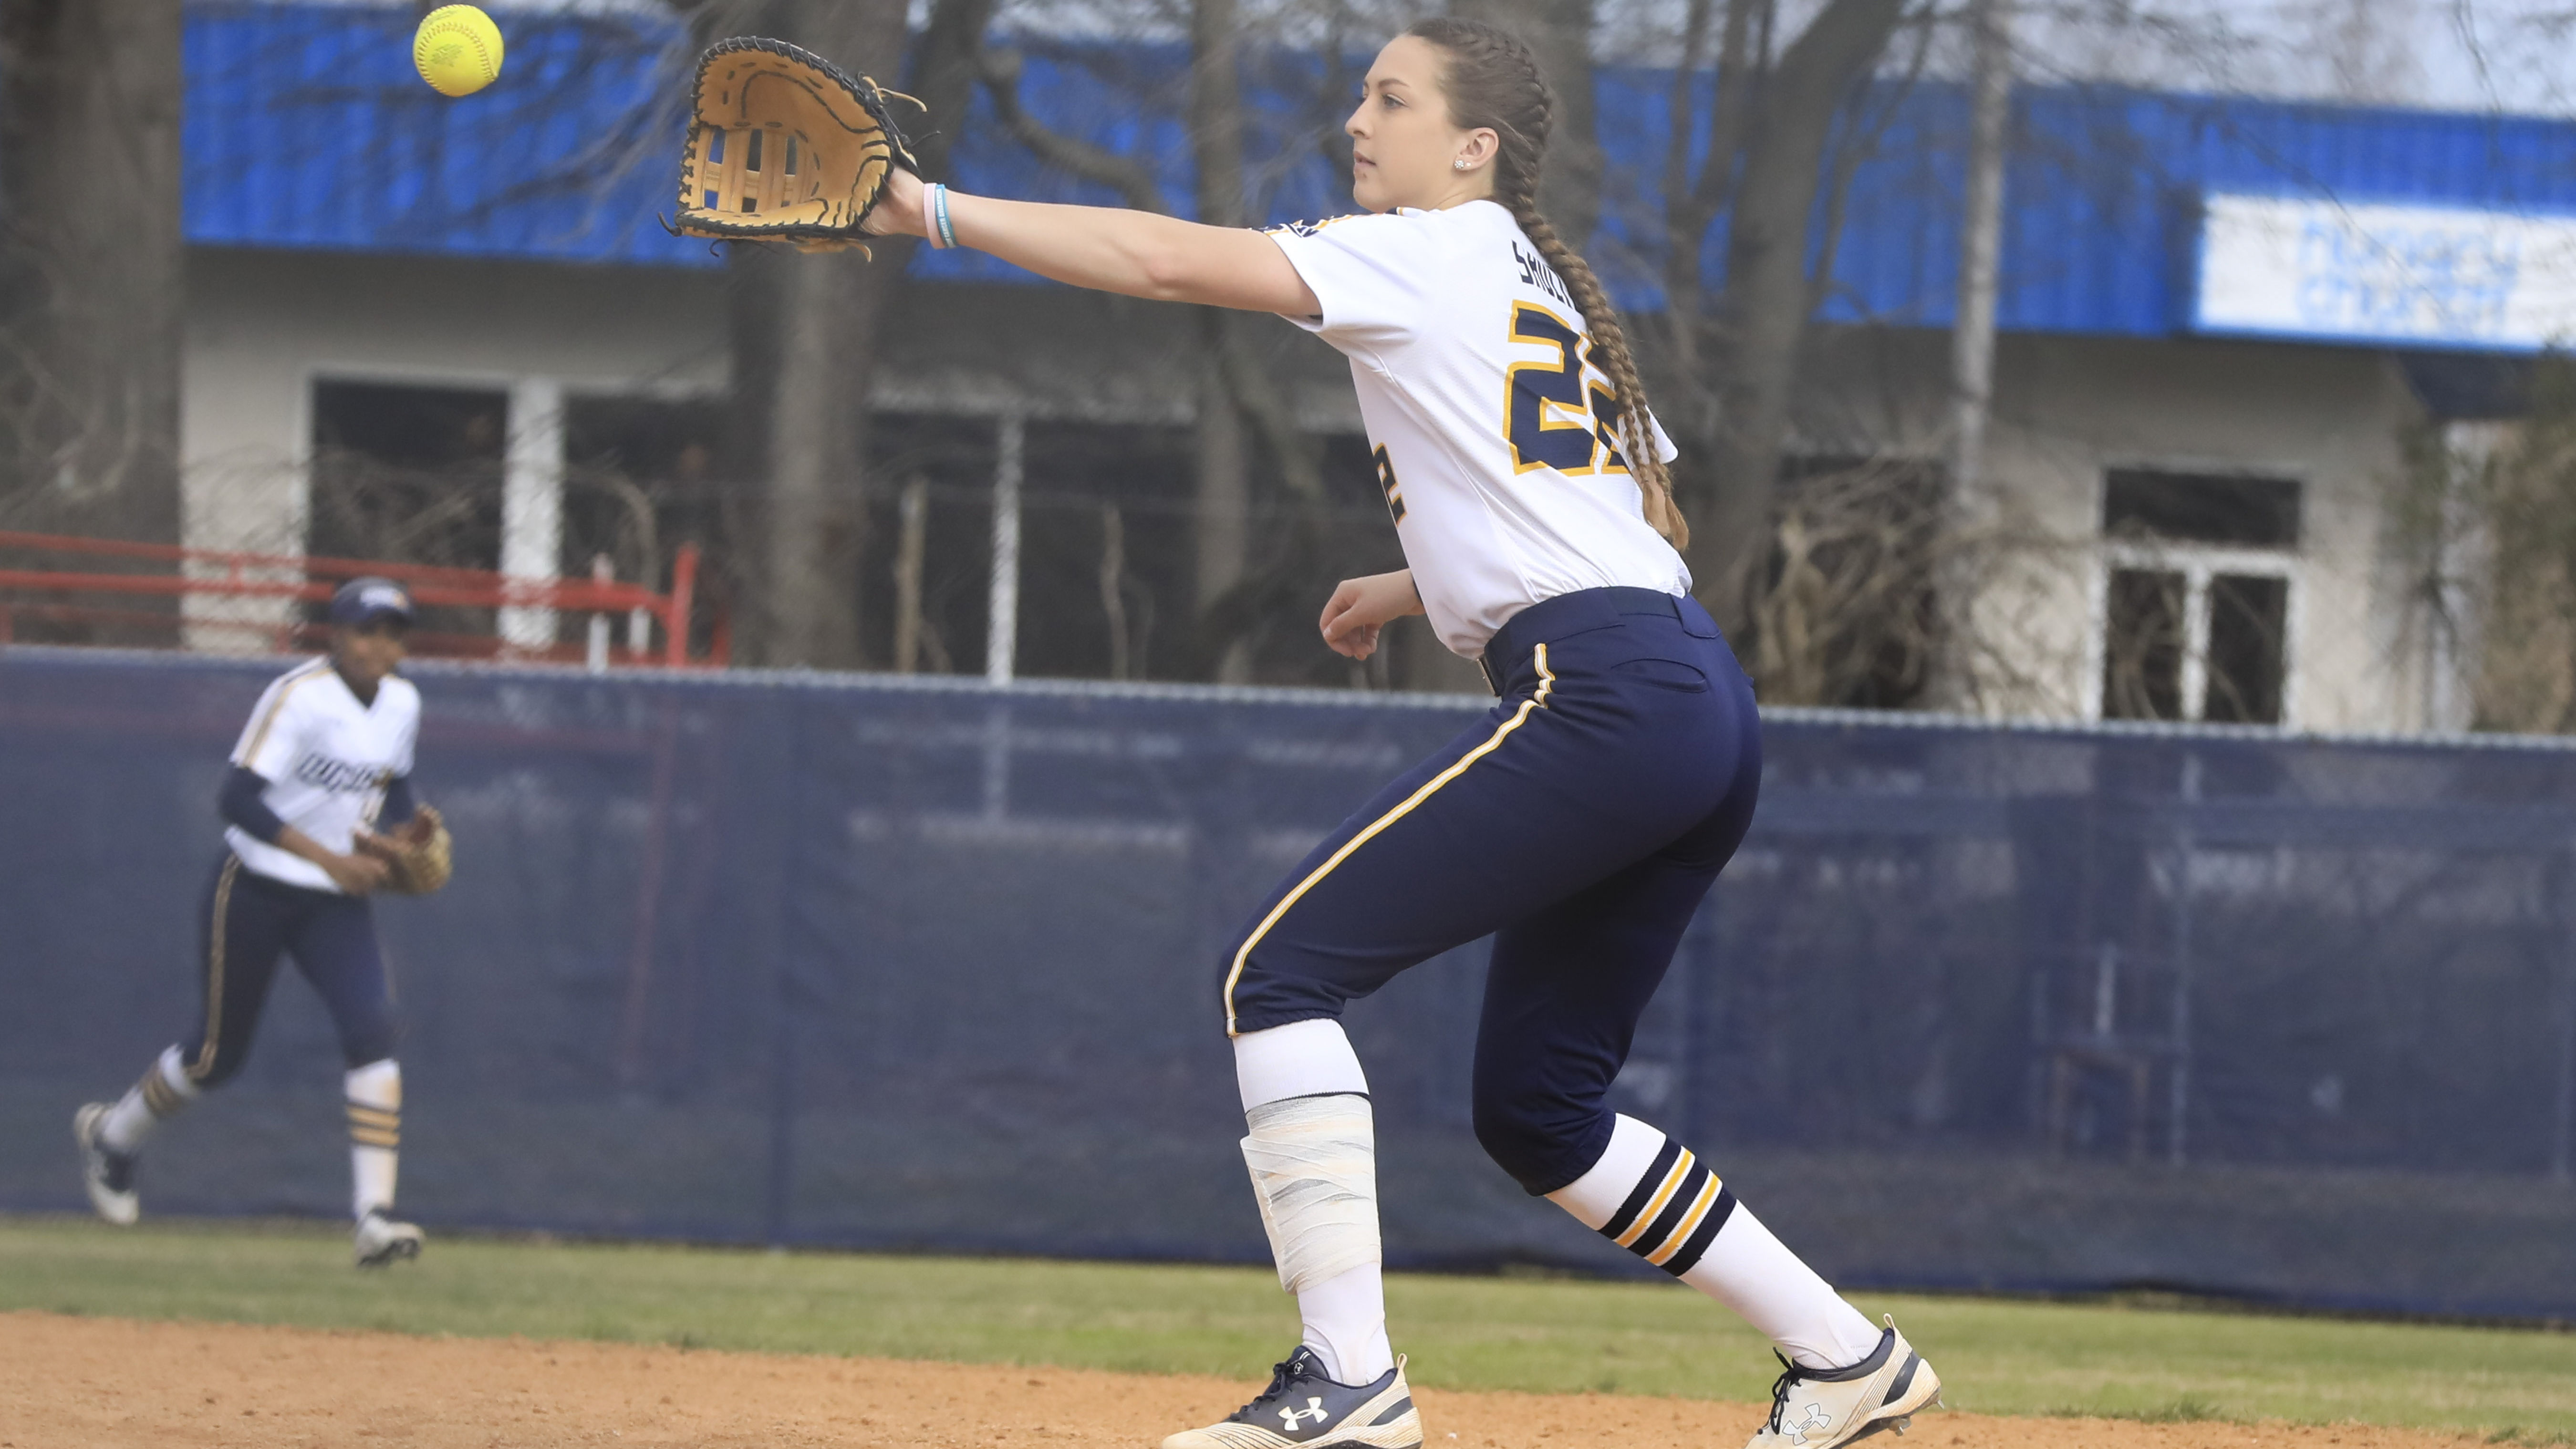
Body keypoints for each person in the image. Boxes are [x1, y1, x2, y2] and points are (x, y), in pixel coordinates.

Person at [862, 18, 1941, 1448]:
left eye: (1392, 97)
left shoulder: (1424, 249)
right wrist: (1420, 577)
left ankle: (1350, 1378)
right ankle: (1848, 1355)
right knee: (1541, 1110)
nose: (1358, 120)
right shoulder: (1527, 271)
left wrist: (928, 207)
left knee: (1279, 970)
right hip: (1695, 699)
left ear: (1474, 144)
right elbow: (1632, 515)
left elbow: (1164, 259)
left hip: (1608, 691)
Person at [73, 577, 434, 1269]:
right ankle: (113, 1139)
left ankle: (374, 1219)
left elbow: (397, 789)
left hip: (336, 898)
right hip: (255, 887)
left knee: (373, 1031)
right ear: (337, 633)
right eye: (367, 630)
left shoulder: (403, 702)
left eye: (394, 632)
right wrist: (331, 859)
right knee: (216, 1055)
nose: (380, 645)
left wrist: (403, 838)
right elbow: (236, 798)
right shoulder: (300, 697)